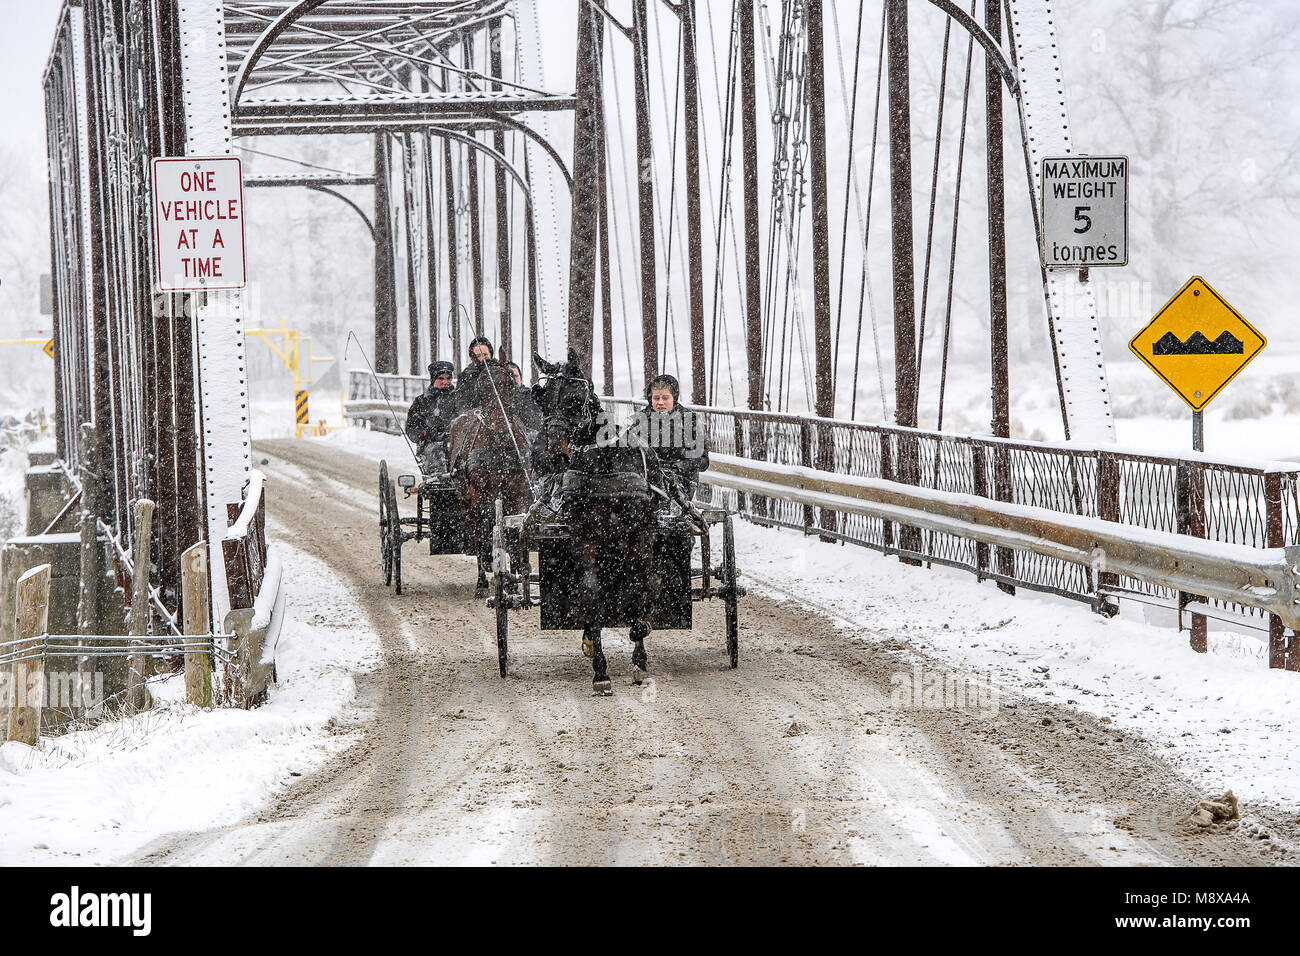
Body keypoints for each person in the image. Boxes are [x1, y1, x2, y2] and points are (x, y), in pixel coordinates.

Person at [642, 373, 709, 500]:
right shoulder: (640, 420)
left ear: (674, 398)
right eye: (656, 398)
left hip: (680, 480)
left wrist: (678, 466)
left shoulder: (688, 421)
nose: (660, 402)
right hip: (647, 477)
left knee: (666, 494)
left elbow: (703, 460)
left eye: (665, 398)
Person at [406, 361, 457, 474]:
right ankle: (439, 481)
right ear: (433, 379)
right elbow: (411, 428)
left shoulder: (459, 399)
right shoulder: (421, 401)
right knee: (435, 450)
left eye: (448, 378)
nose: (445, 382)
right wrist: (425, 433)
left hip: (457, 442)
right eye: (441, 378)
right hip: (432, 444)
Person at [507, 360, 543, 437]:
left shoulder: (532, 396)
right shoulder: (497, 400)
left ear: (520, 377)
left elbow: (536, 425)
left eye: (515, 376)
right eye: (509, 376)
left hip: (530, 441)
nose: (513, 379)